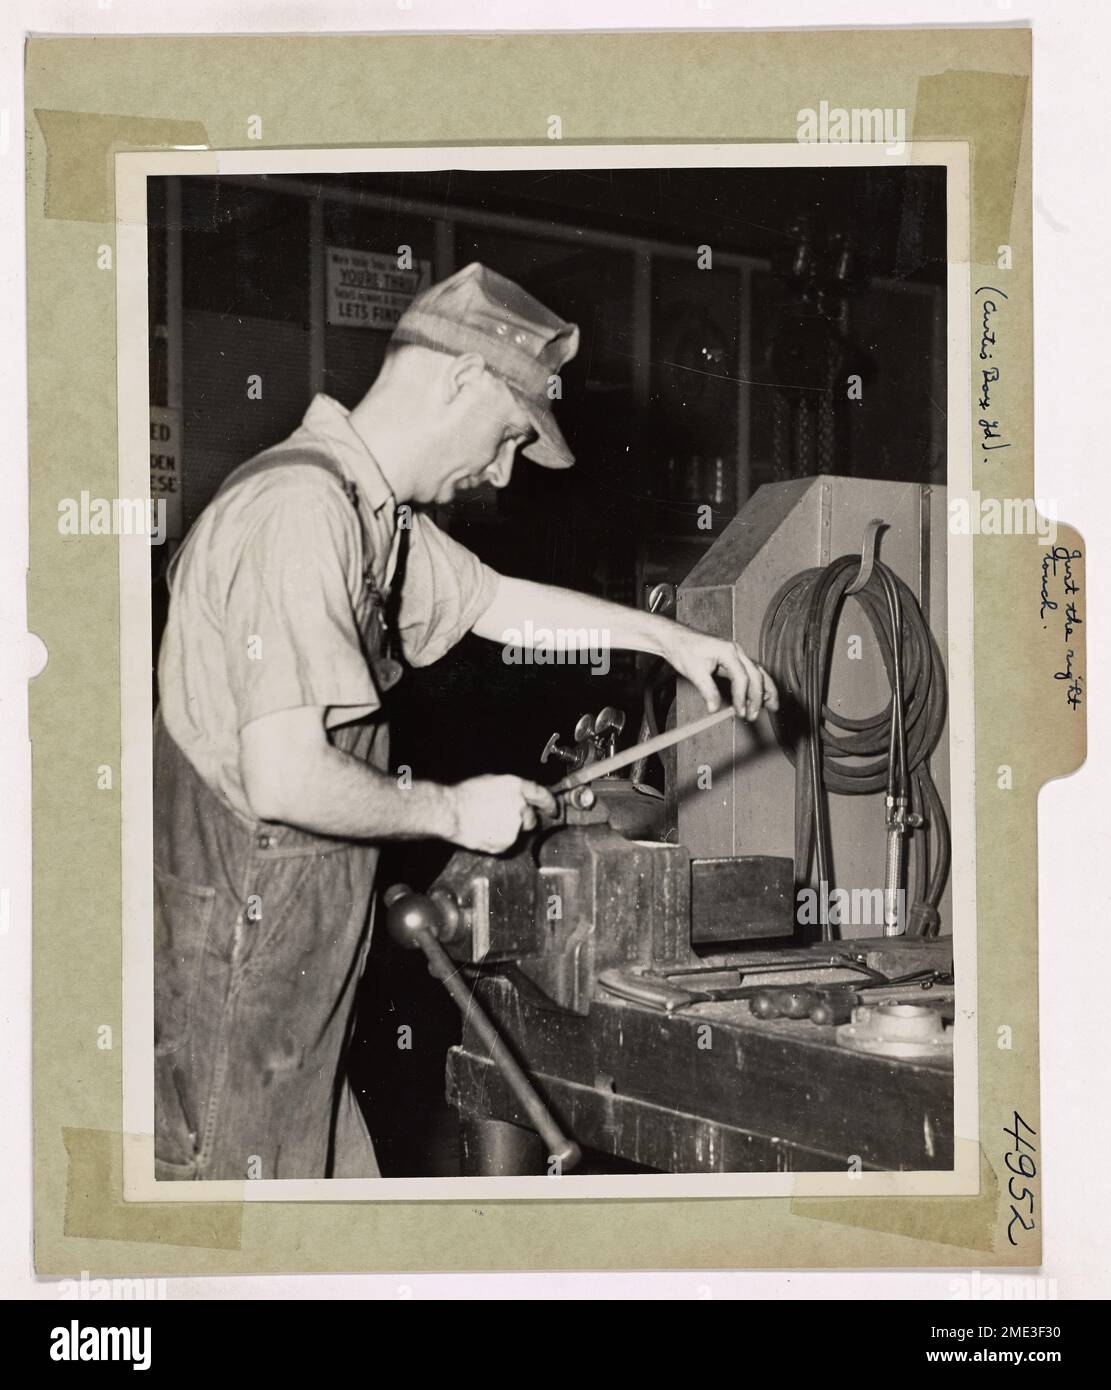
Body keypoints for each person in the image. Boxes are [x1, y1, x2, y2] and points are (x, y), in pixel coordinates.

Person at [153, 261, 777, 1180]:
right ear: (459, 379)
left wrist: (669, 640)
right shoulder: (298, 513)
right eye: (509, 437)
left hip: (301, 976)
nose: (498, 472)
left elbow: (493, 602)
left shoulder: (373, 518)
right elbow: (285, 776)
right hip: (234, 980)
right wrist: (453, 813)